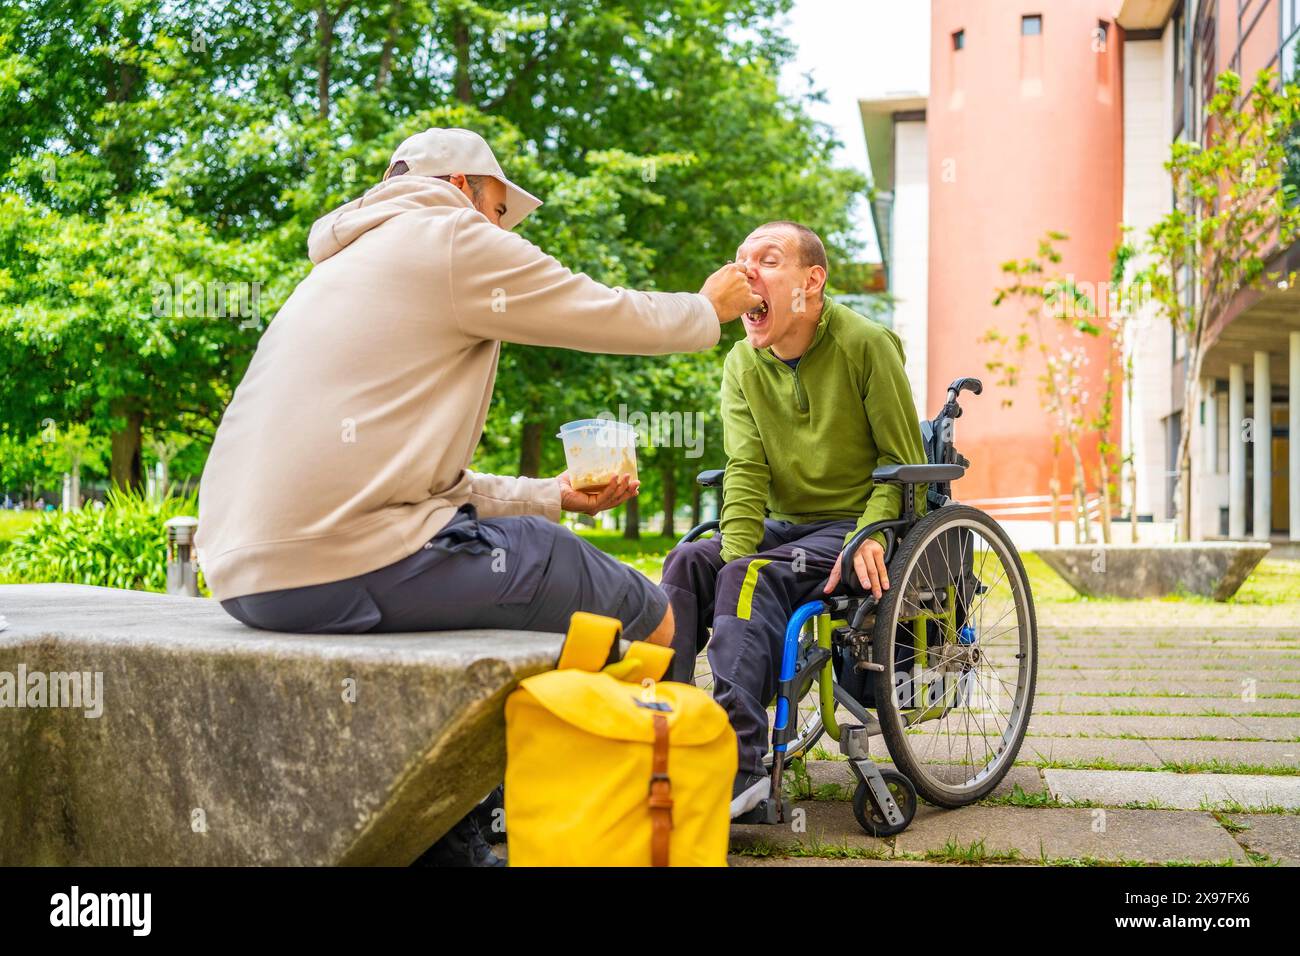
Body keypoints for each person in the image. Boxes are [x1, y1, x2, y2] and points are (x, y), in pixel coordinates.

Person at [195, 127, 759, 864]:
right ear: (462, 186)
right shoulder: (449, 235)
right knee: (635, 604)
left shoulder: (348, 265)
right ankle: (655, 816)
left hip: (251, 577)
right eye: (500, 209)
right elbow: (600, 310)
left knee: (519, 571)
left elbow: (418, 489)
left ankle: (454, 842)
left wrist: (551, 494)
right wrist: (704, 307)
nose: (502, 230)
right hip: (340, 563)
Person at [658, 220, 928, 818]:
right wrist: (734, 551)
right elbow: (746, 471)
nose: (744, 272)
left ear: (812, 281)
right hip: (784, 527)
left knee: (746, 577)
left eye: (767, 259)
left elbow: (902, 463)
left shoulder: (865, 344)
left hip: (852, 521)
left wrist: (871, 531)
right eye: (738, 259)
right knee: (688, 563)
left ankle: (740, 766)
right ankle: (670, 741)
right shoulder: (741, 365)